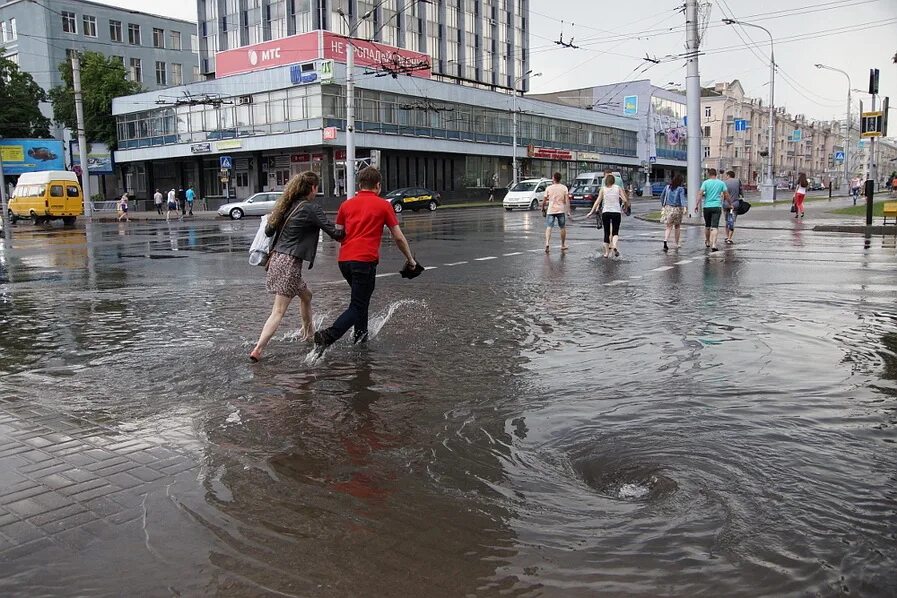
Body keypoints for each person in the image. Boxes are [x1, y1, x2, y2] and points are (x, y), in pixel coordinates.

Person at [314, 167, 417, 350]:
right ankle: (329, 335)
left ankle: (360, 339)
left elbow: (338, 234)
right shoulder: (384, 205)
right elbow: (398, 237)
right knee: (358, 304)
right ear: (378, 185)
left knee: (362, 300)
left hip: (345, 261)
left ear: (359, 185)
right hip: (364, 261)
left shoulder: (345, 205)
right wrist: (410, 260)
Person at [250, 172, 344, 362]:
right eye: (316, 187)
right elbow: (334, 232)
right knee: (278, 311)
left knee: (307, 295)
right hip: (289, 263)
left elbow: (268, 231)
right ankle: (258, 349)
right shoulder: (310, 208)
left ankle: (308, 334)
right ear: (312, 188)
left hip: (276, 260)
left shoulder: (285, 206)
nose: (316, 191)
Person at [586, 173, 628, 258]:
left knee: (606, 233)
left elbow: (597, 201)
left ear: (606, 181)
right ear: (613, 181)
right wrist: (624, 205)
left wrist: (591, 212)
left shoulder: (603, 189)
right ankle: (614, 245)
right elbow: (625, 200)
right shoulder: (618, 188)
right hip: (616, 212)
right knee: (615, 232)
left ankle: (606, 253)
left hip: (606, 212)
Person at [695, 168, 729, 252]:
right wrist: (730, 203)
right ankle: (714, 244)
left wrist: (696, 204)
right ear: (716, 174)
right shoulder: (721, 183)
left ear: (709, 174)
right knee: (715, 227)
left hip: (707, 207)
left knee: (707, 225)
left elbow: (700, 193)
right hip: (717, 206)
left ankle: (707, 241)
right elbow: (726, 194)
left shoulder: (705, 183)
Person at [542, 172, 571, 253]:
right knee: (562, 227)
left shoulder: (549, 188)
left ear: (553, 178)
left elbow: (544, 201)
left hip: (551, 210)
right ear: (560, 179)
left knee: (549, 227)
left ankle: (547, 243)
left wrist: (543, 208)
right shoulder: (564, 188)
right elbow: (567, 200)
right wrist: (568, 210)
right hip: (560, 210)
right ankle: (562, 245)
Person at [660, 174, 687, 252]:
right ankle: (676, 243)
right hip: (677, 209)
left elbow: (662, 197)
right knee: (677, 226)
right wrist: (684, 207)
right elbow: (682, 199)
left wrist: (663, 205)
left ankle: (665, 240)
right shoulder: (680, 189)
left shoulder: (667, 187)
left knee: (668, 226)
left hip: (668, 208)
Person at [723, 170, 743, 245]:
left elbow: (722, 194)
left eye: (726, 176)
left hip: (726, 204)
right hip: (734, 205)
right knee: (731, 221)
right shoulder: (738, 181)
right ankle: (730, 238)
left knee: (726, 221)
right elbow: (741, 192)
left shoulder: (724, 182)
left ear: (728, 175)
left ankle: (727, 236)